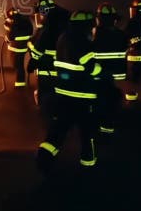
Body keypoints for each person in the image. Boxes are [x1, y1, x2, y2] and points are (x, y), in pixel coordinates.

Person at [37, 10, 101, 173]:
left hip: (62, 94)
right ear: (86, 26)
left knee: (58, 130)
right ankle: (88, 165)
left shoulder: (63, 38)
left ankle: (44, 156)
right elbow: (91, 68)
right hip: (82, 96)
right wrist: (101, 70)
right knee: (87, 132)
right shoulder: (84, 42)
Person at [27, 0, 70, 120]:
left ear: (45, 11)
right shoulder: (66, 24)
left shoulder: (48, 28)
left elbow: (38, 49)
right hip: (63, 68)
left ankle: (49, 118)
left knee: (47, 96)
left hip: (47, 67)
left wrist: (30, 49)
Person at [92, 2, 127, 134]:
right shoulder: (121, 34)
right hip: (116, 75)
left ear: (98, 18)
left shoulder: (93, 33)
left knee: (98, 102)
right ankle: (108, 129)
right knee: (112, 102)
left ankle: (97, 129)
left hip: (98, 75)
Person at [3, 7, 33, 88]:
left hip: (15, 48)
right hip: (24, 47)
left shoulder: (12, 22)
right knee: (20, 65)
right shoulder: (25, 20)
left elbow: (10, 37)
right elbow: (30, 32)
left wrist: (6, 30)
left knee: (17, 65)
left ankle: (20, 84)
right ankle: (20, 83)